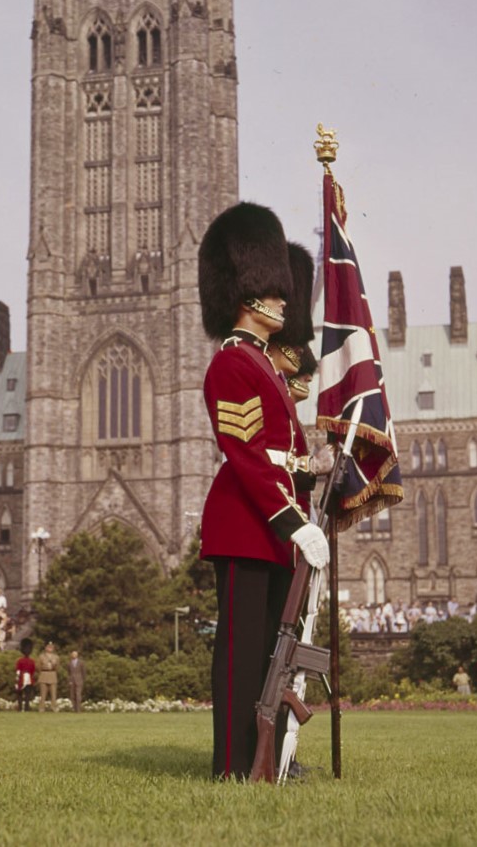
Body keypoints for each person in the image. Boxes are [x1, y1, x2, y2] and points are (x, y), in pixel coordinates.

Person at [197, 203, 331, 780]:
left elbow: (281, 456)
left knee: (273, 657)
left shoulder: (266, 368)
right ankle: (233, 763)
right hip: (248, 525)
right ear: (247, 295)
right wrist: (291, 521)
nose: (283, 300)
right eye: (273, 292)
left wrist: (317, 469)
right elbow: (247, 458)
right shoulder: (231, 364)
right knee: (242, 652)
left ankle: (271, 757)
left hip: (272, 527)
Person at [37, 642, 60, 712]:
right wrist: (44, 667)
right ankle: (41, 708)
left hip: (52, 675)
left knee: (53, 694)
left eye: (51, 647)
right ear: (45, 648)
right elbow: (38, 667)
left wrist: (54, 665)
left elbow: (58, 667)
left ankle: (54, 708)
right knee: (43, 694)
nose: (50, 648)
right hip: (44, 675)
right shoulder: (41, 656)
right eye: (48, 647)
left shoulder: (56, 657)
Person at [15, 638, 36, 712]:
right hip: (28, 677)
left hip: (22, 677)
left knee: (20, 694)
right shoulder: (32, 661)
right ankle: (26, 707)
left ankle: (20, 707)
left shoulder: (20, 660)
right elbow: (33, 670)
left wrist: (17, 679)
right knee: (27, 694)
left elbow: (18, 670)